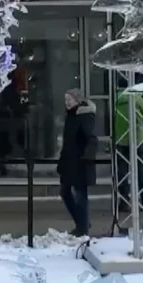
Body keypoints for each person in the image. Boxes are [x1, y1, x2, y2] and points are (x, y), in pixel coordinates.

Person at [113, 84, 143, 233]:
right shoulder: (136, 97)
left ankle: (123, 202)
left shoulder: (116, 98)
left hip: (120, 139)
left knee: (122, 172)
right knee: (140, 170)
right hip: (138, 138)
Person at [57, 89, 97, 237]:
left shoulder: (84, 116)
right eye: (65, 100)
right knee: (65, 192)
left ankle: (82, 227)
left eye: (70, 100)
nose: (67, 103)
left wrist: (87, 156)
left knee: (80, 195)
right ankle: (82, 222)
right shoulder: (71, 116)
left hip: (80, 162)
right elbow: (67, 143)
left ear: (77, 100)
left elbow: (91, 138)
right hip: (69, 162)